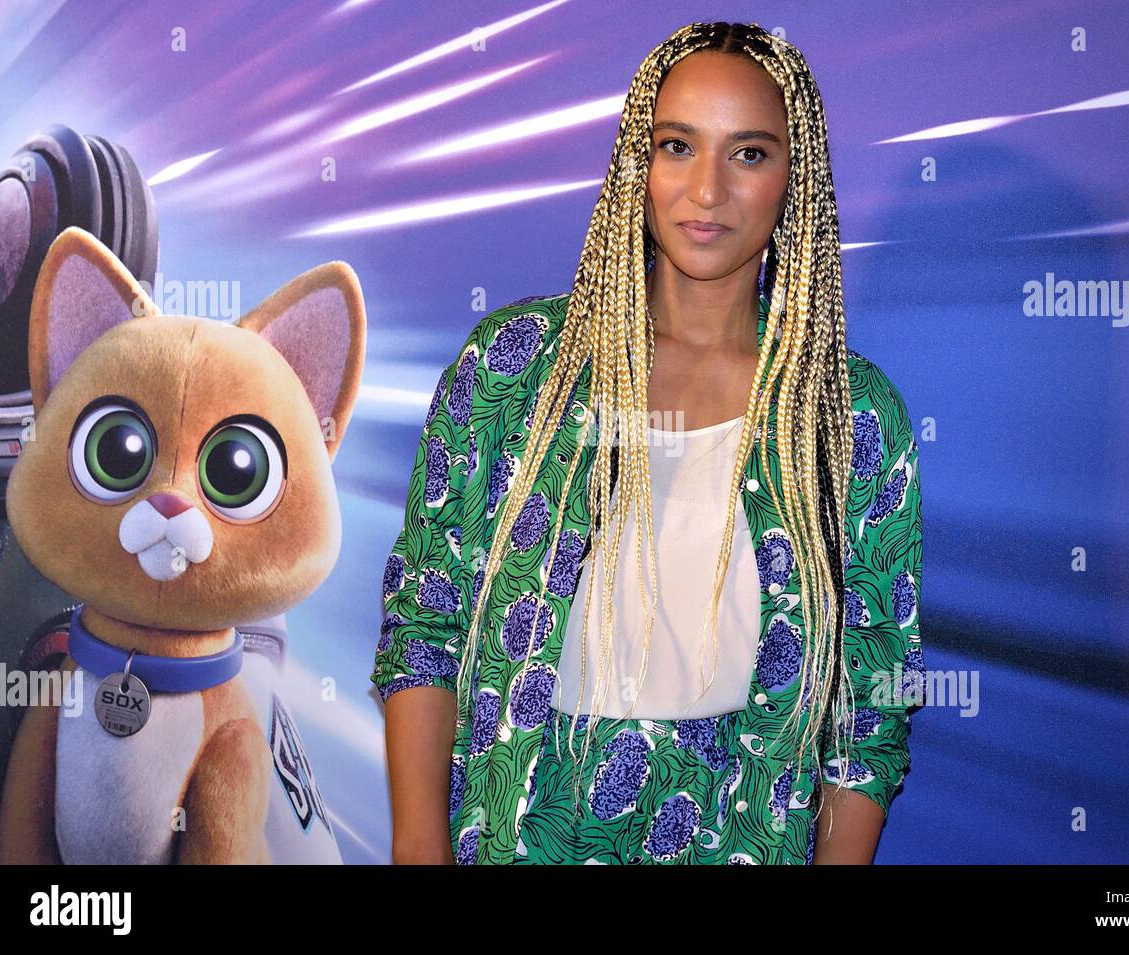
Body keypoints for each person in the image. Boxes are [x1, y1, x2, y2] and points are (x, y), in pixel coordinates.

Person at [373, 20, 925, 865]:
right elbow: (425, 624)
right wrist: (419, 850)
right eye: (678, 145)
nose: (707, 190)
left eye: (748, 153)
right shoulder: (517, 367)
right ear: (640, 163)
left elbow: (872, 705)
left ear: (796, 179)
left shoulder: (848, 415)